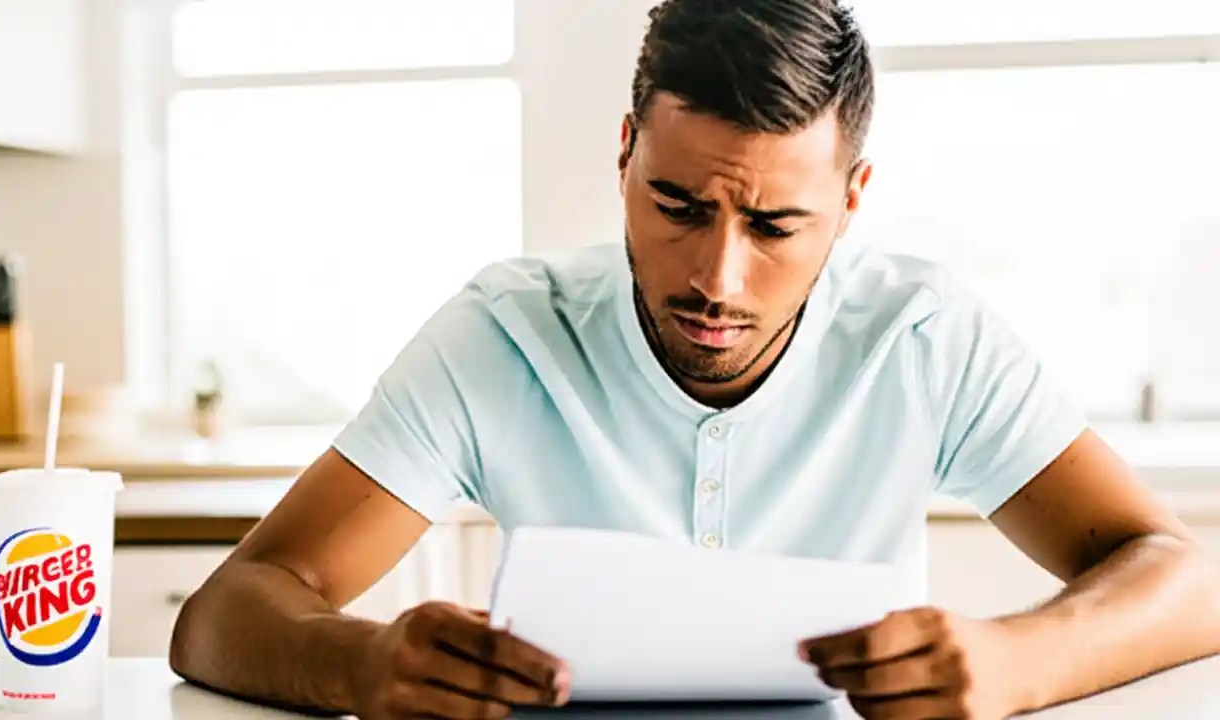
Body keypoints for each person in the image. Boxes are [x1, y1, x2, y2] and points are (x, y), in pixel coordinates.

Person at [169, 1, 1220, 718]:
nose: (716, 279)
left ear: (851, 200)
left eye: (775, 226)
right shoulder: (501, 334)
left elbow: (1184, 578)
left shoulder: (920, 335)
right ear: (624, 151)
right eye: (677, 207)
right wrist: (365, 660)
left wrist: (1012, 661)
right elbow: (227, 611)